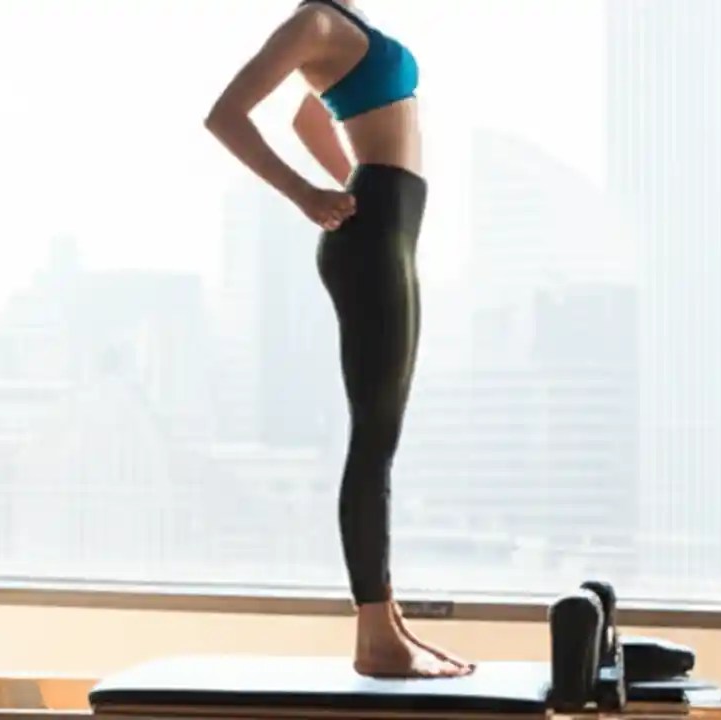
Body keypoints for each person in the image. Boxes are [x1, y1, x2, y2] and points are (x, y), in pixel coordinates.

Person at [203, 0, 474, 680]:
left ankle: (390, 624)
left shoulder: (347, 26)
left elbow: (306, 114)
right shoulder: (316, 22)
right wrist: (307, 194)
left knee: (382, 440)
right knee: (373, 443)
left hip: (387, 226)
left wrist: (344, 184)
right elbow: (225, 115)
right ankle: (375, 638)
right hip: (375, 235)